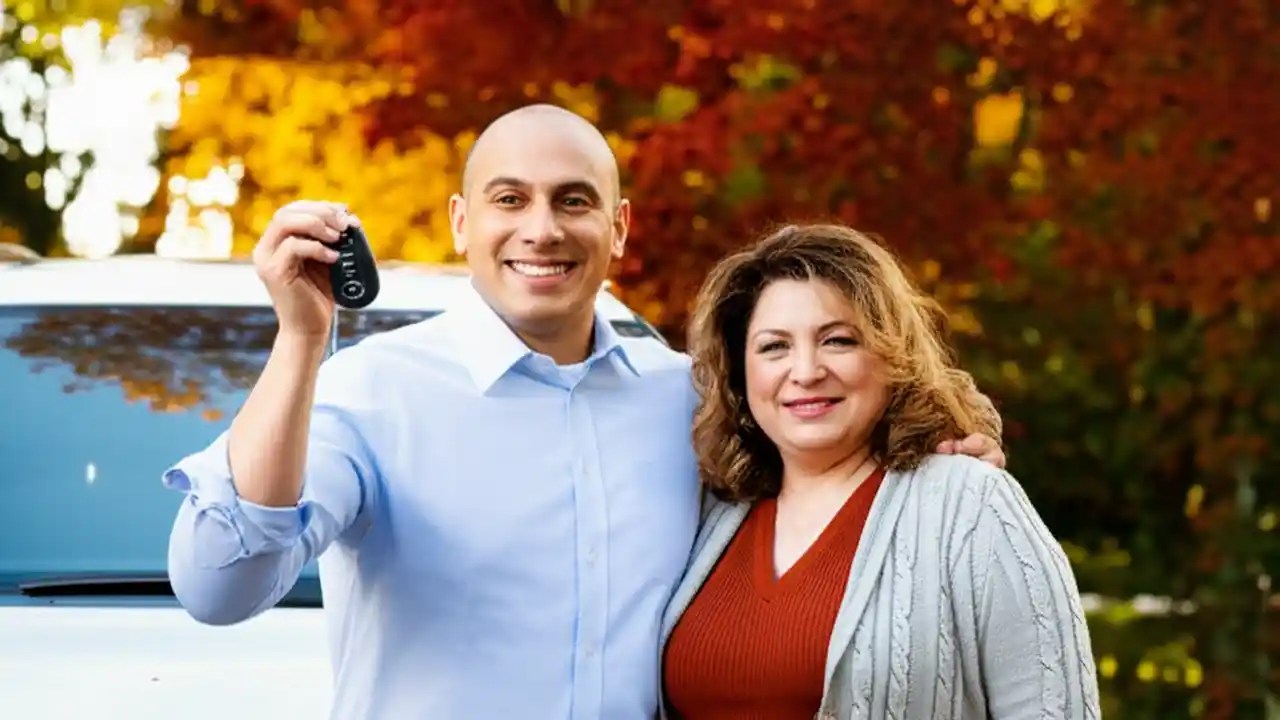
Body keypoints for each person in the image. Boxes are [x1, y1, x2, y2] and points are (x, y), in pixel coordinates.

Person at [161, 104, 1005, 719]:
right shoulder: (368, 389)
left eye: (572, 200)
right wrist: (301, 342)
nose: (542, 229)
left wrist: (939, 459)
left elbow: (828, 470)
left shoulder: (694, 397)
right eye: (508, 199)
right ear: (461, 222)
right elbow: (219, 586)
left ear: (619, 227)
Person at [657, 223, 1100, 719]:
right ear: (741, 373)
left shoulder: (969, 504)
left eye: (838, 341)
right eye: (774, 347)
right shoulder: (709, 515)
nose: (805, 371)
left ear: (891, 356)